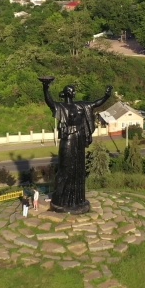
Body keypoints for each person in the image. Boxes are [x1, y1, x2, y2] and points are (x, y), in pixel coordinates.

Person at [40, 76, 112, 214]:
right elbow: (49, 102)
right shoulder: (61, 107)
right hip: (67, 140)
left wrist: (106, 95)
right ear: (67, 93)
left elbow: (95, 103)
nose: (74, 93)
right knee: (65, 168)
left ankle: (76, 200)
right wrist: (45, 87)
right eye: (72, 91)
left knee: (78, 169)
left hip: (78, 140)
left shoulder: (81, 105)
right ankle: (61, 198)